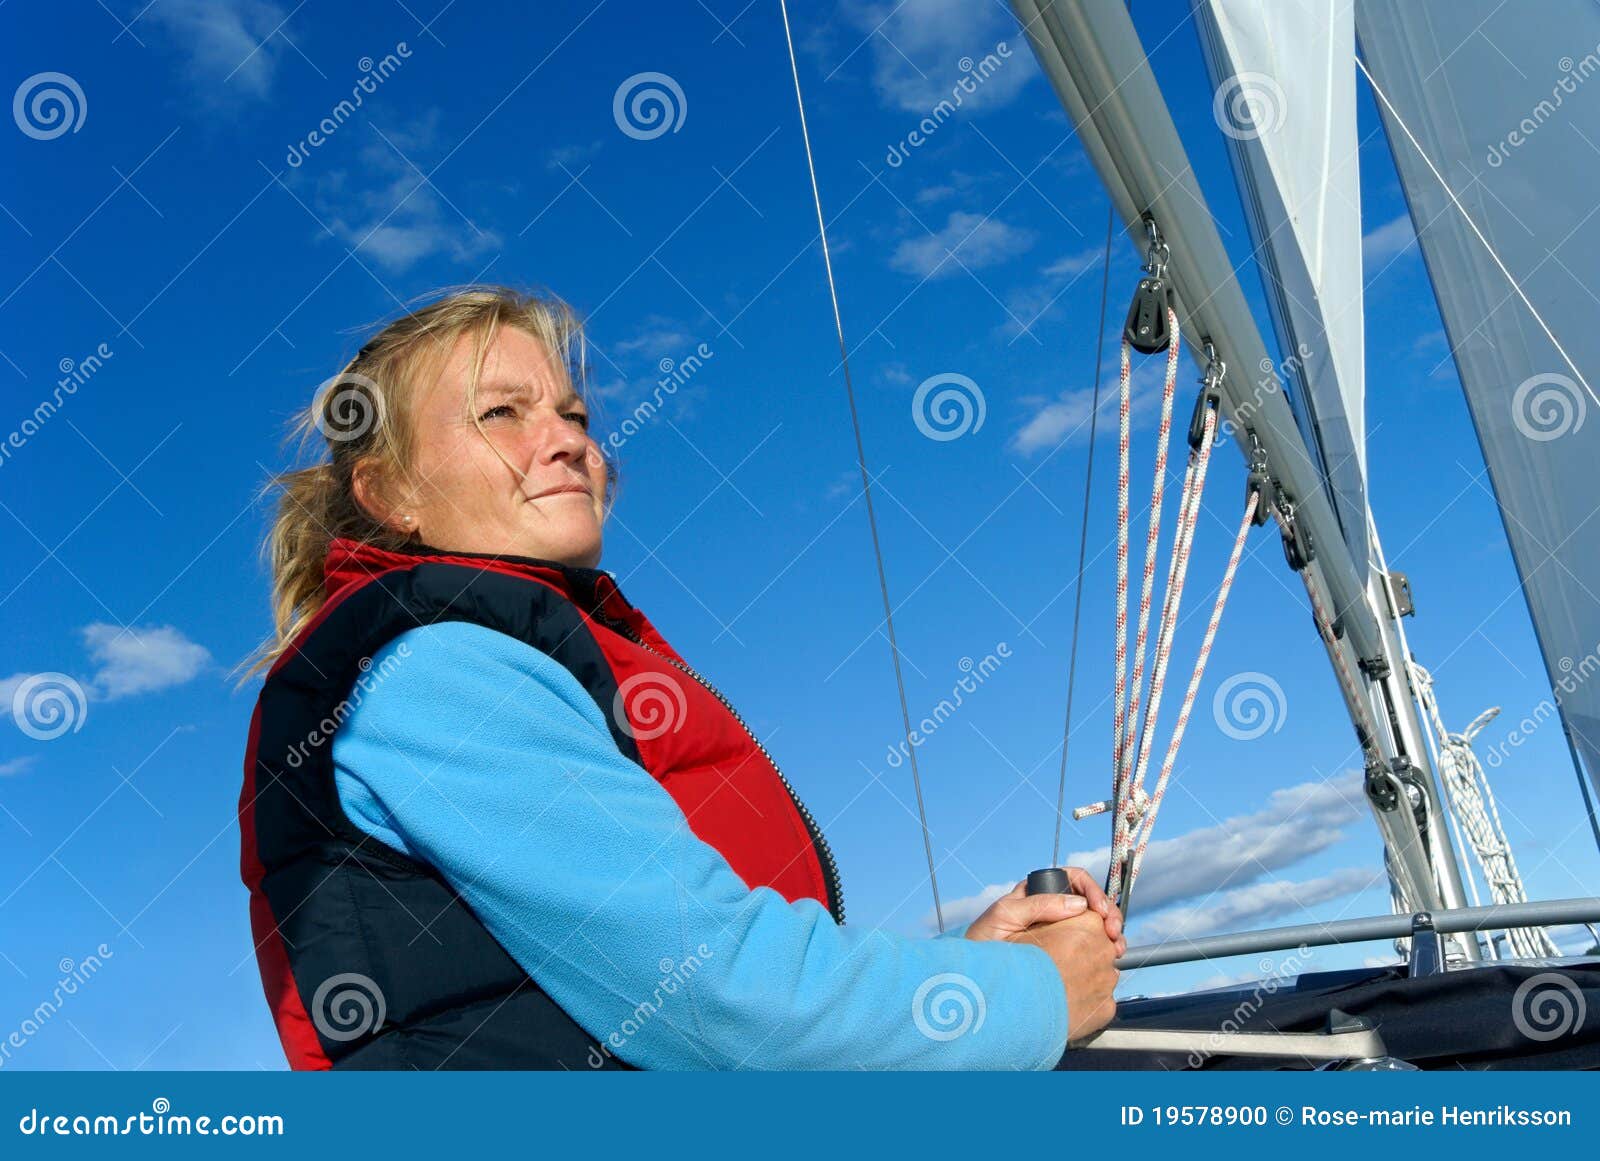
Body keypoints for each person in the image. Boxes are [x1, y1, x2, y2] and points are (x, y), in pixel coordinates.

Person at [239, 285, 1123, 1070]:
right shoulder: (435, 673)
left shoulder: (507, 649)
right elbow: (712, 998)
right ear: (392, 492)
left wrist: (961, 971)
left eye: (575, 414)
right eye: (502, 413)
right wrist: (1024, 996)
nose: (566, 442)